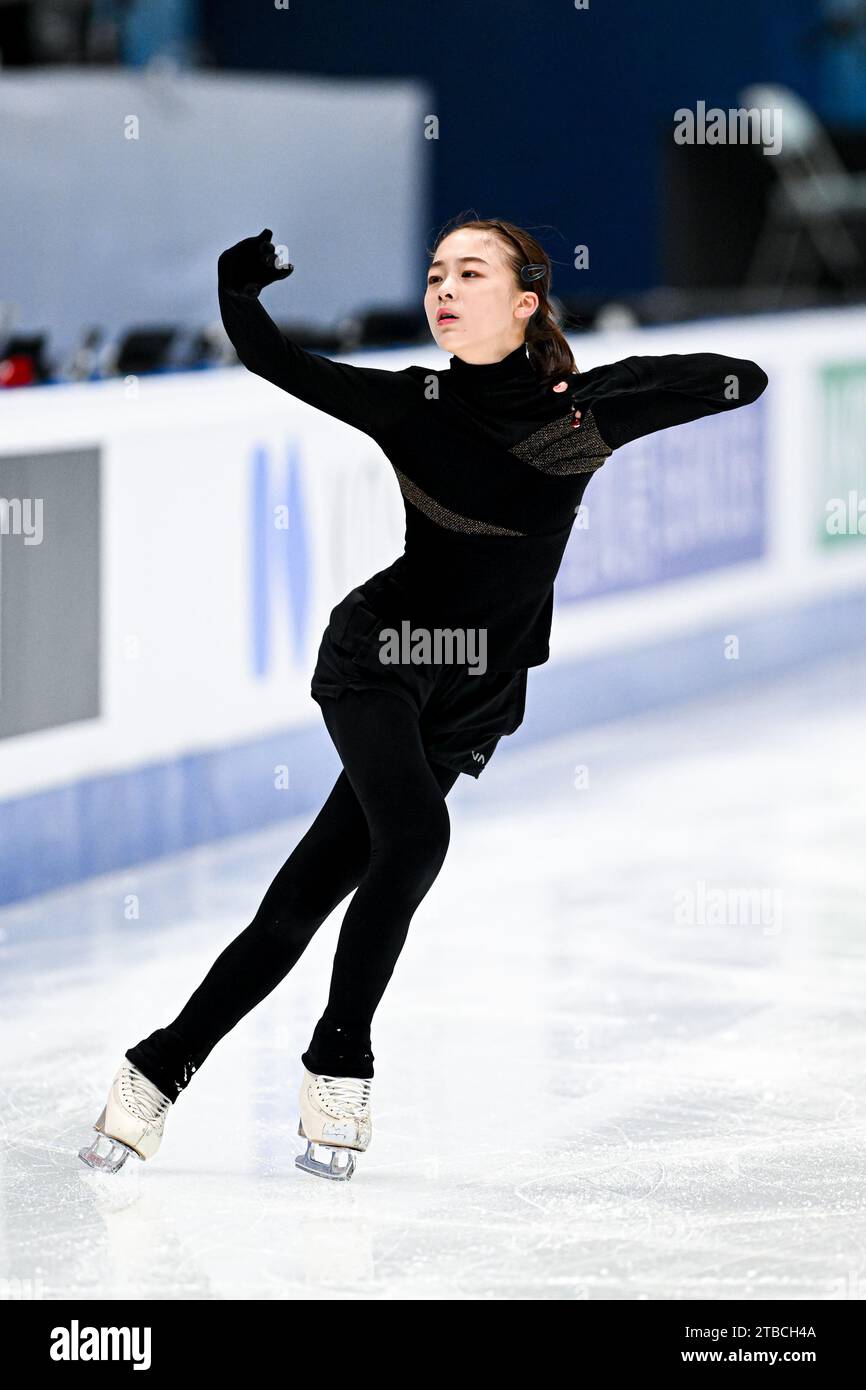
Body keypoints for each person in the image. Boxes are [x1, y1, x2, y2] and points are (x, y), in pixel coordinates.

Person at [79, 217, 768, 1181]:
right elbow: (276, 360)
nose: (443, 288)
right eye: (437, 273)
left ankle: (153, 1071)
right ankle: (339, 1056)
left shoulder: (579, 420)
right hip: (380, 660)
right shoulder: (414, 404)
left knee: (299, 903)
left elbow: (740, 378)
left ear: (525, 302)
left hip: (471, 694)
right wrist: (238, 290)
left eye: (470, 273)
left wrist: (609, 383)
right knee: (416, 840)